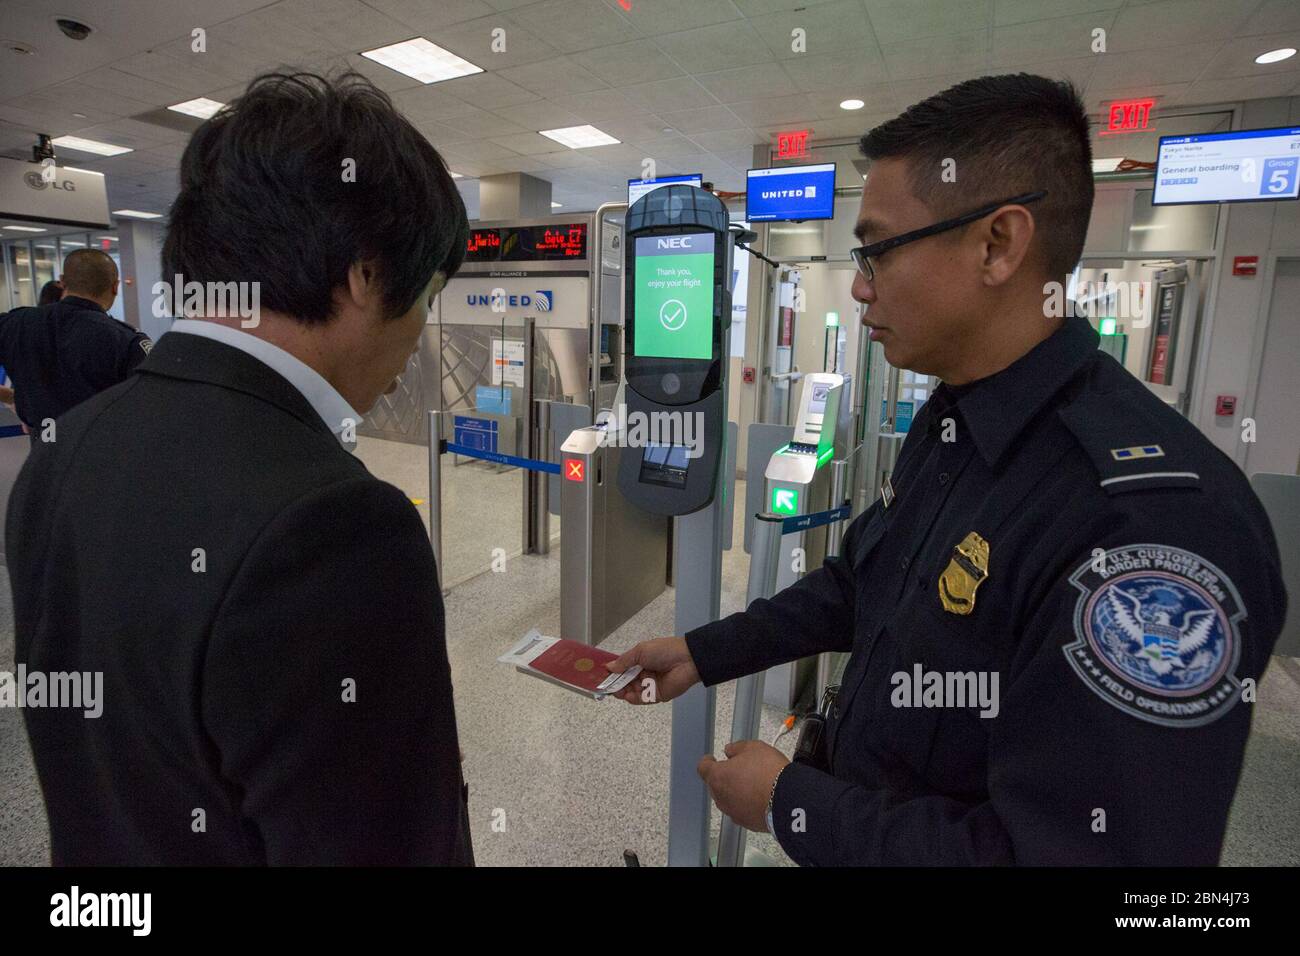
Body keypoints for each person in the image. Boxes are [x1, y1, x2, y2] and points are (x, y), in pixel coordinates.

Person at [608, 74, 1287, 865]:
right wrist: (707, 650)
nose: (860, 286)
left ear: (998, 244)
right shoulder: (957, 415)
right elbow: (865, 580)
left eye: (878, 249)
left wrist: (795, 805)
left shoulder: (1155, 531)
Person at [7, 72, 473, 865]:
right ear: (365, 274)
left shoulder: (63, 451)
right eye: (425, 294)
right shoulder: (339, 525)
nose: (420, 333)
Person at [0, 249, 149, 439]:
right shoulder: (126, 340)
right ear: (115, 287)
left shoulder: (15, 324)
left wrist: (18, 398)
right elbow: (147, 407)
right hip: (100, 450)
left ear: (63, 282)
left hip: (42, 453)